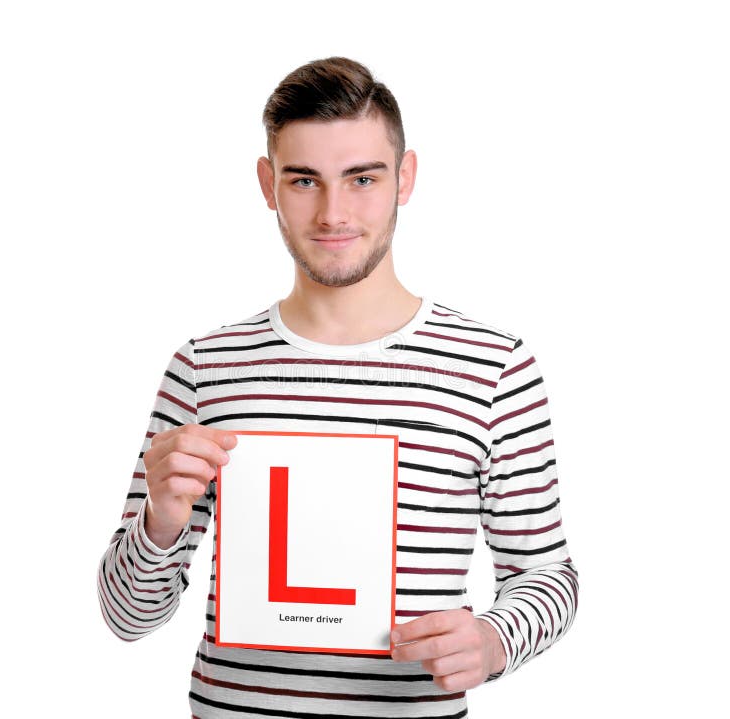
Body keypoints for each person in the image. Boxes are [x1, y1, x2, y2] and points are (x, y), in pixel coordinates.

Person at [97, 56, 579, 717]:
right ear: (268, 184)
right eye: (303, 180)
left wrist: (494, 640)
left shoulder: (494, 365)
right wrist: (159, 523)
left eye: (362, 178)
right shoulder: (205, 366)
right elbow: (127, 618)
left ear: (405, 177)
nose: (333, 212)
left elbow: (547, 577)